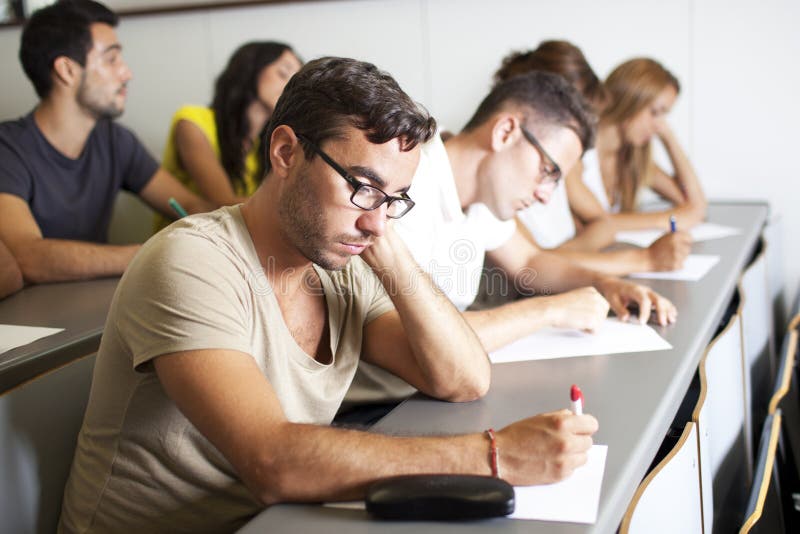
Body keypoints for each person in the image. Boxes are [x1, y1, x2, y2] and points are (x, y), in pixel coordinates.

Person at [58, 57, 599, 532]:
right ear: (287, 151)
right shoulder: (191, 263)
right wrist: (495, 455)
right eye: (361, 186)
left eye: (395, 199)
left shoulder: (343, 263)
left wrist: (387, 244)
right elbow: (272, 460)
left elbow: (461, 379)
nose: (374, 220)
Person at [344, 71, 678, 411]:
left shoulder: (483, 191)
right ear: (505, 132)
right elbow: (425, 334)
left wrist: (605, 285)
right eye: (547, 171)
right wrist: (553, 309)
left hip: (434, 394)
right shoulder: (404, 185)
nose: (546, 195)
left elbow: (529, 262)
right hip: (379, 410)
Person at [0, 0, 211, 284]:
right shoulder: (8, 149)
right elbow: (26, 256)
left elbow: (184, 202)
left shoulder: (115, 141)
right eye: (112, 59)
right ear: (67, 70)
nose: (127, 73)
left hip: (99, 308)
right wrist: (151, 254)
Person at [498, 42, 692, 276]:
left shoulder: (559, 164)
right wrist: (645, 258)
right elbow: (532, 265)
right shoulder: (497, 179)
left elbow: (604, 226)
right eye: (655, 112)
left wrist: (556, 256)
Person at [153, 41, 303, 232]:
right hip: (183, 244)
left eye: (295, 79)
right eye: (283, 73)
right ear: (250, 70)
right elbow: (222, 203)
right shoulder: (192, 122)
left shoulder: (265, 145)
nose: (291, 85)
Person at [563, 57, 706, 244]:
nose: (658, 125)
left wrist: (668, 137)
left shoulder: (632, 156)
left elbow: (692, 202)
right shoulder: (577, 151)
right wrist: (667, 220)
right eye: (654, 112)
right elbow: (598, 222)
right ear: (629, 100)